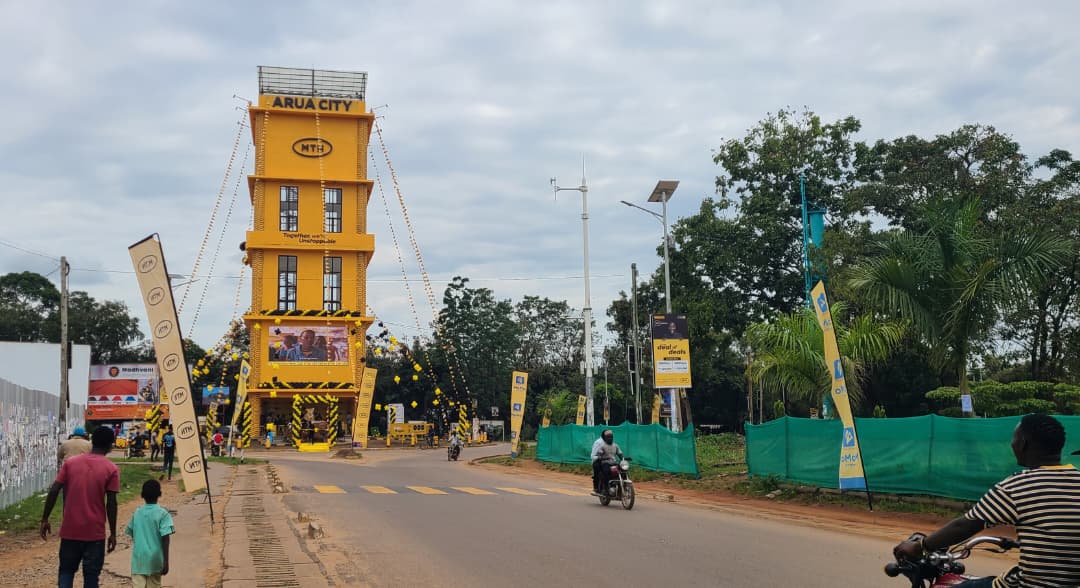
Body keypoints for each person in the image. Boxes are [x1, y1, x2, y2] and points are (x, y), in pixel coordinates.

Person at [894, 414, 1080, 588]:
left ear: (1023, 443)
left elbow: (965, 526)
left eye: (1014, 438)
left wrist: (920, 546)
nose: (1012, 443)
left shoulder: (1017, 485)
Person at [40, 425, 120, 588]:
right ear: (110, 446)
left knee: (66, 572)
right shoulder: (111, 469)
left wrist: (45, 518)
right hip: (94, 533)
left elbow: (55, 489)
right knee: (91, 576)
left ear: (92, 441)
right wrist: (112, 533)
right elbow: (111, 503)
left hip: (70, 530)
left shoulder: (70, 464)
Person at [124, 480, 174, 588]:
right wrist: (166, 561)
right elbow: (165, 538)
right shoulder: (163, 514)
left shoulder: (137, 513)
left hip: (139, 560)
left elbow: (131, 532)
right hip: (155, 560)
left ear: (142, 495)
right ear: (159, 494)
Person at [591, 429, 623, 494]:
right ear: (605, 438)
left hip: (614, 463)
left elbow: (620, 453)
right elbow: (598, 454)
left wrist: (623, 459)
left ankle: (621, 486)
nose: (610, 438)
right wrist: (600, 457)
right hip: (605, 463)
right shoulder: (602, 446)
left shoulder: (615, 445)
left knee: (622, 471)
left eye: (611, 437)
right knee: (606, 472)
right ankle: (606, 488)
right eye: (608, 437)